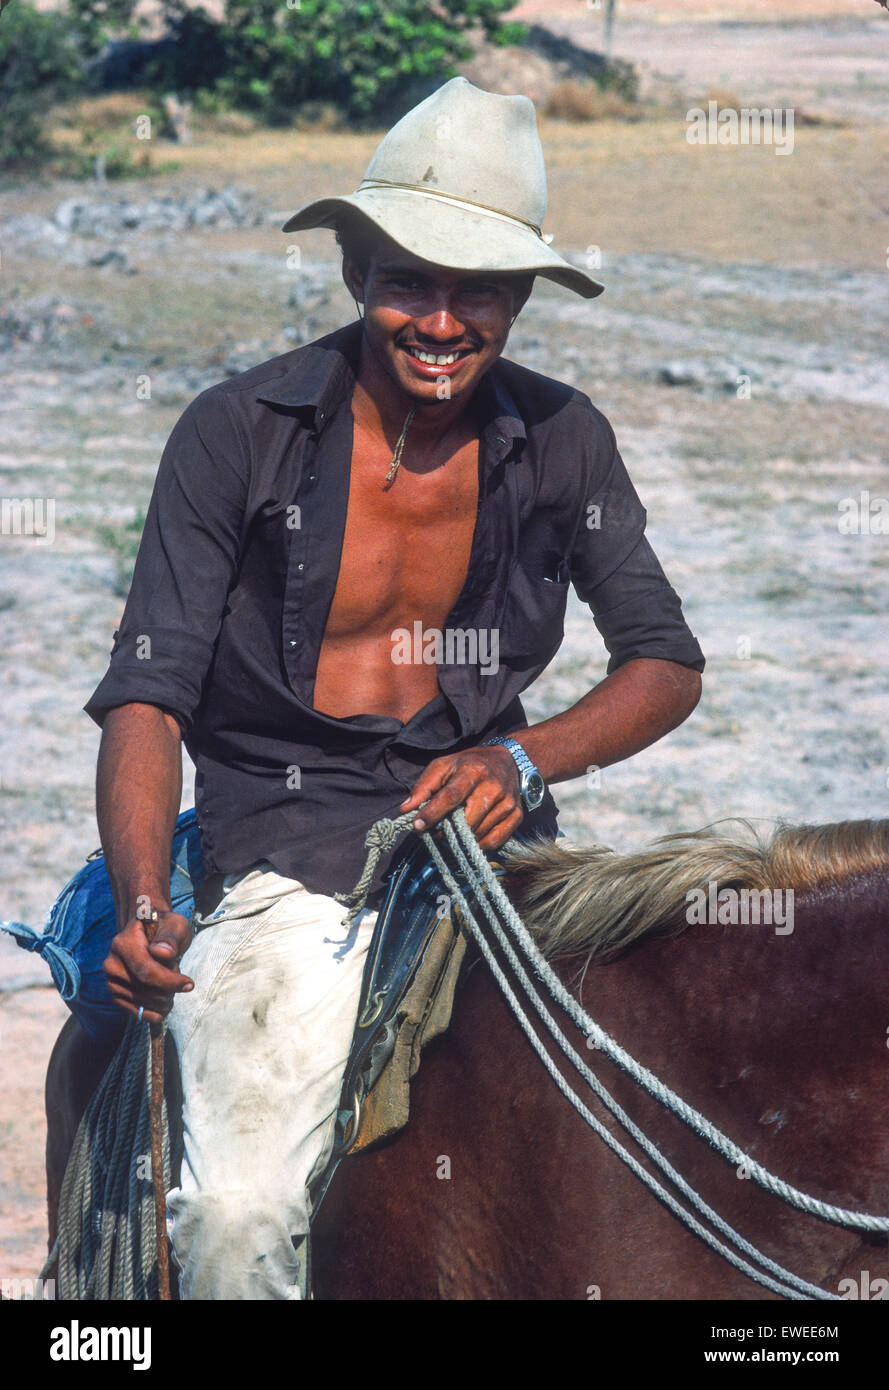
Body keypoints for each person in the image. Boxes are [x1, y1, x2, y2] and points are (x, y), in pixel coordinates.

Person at [84, 77, 705, 1299]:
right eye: (410, 278)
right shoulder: (237, 431)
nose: (439, 319)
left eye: (476, 288)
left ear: (520, 296)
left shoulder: (563, 439)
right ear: (357, 271)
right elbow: (146, 695)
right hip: (283, 850)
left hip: (494, 845)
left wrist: (524, 760)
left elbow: (664, 662)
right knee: (238, 1208)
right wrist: (145, 896)